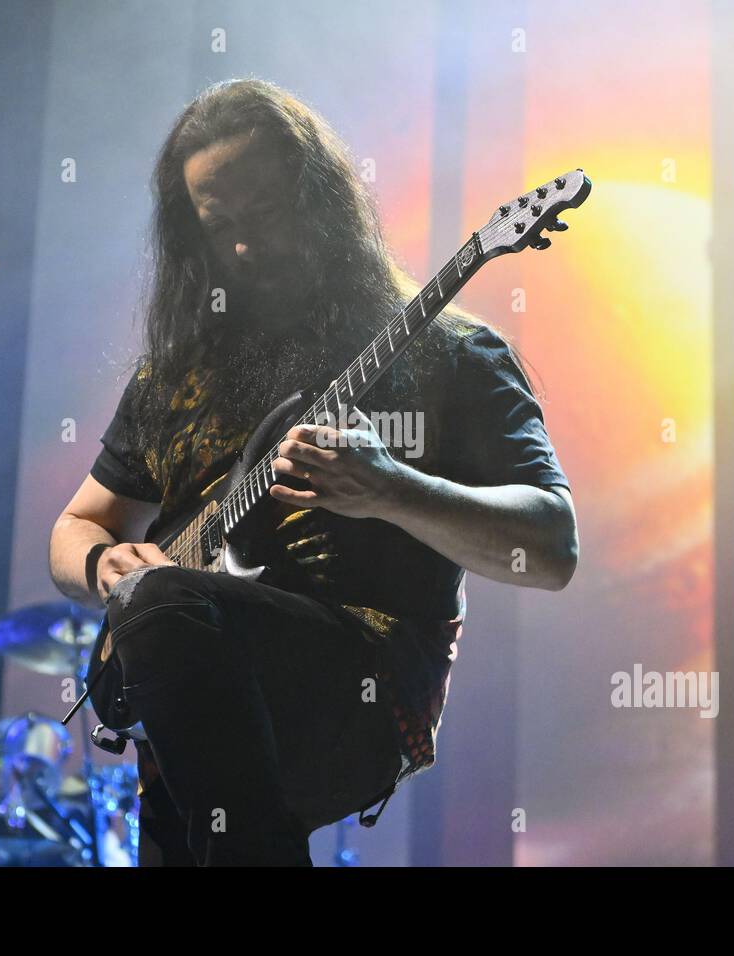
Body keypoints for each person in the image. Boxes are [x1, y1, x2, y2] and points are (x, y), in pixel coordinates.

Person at [48, 78, 577, 866]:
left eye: (262, 214)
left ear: (318, 196)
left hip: (361, 688)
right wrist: (102, 564)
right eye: (217, 226)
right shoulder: (178, 375)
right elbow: (76, 524)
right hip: (190, 710)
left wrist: (395, 491)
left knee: (162, 602)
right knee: (157, 603)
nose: (244, 248)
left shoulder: (451, 353)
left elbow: (552, 549)